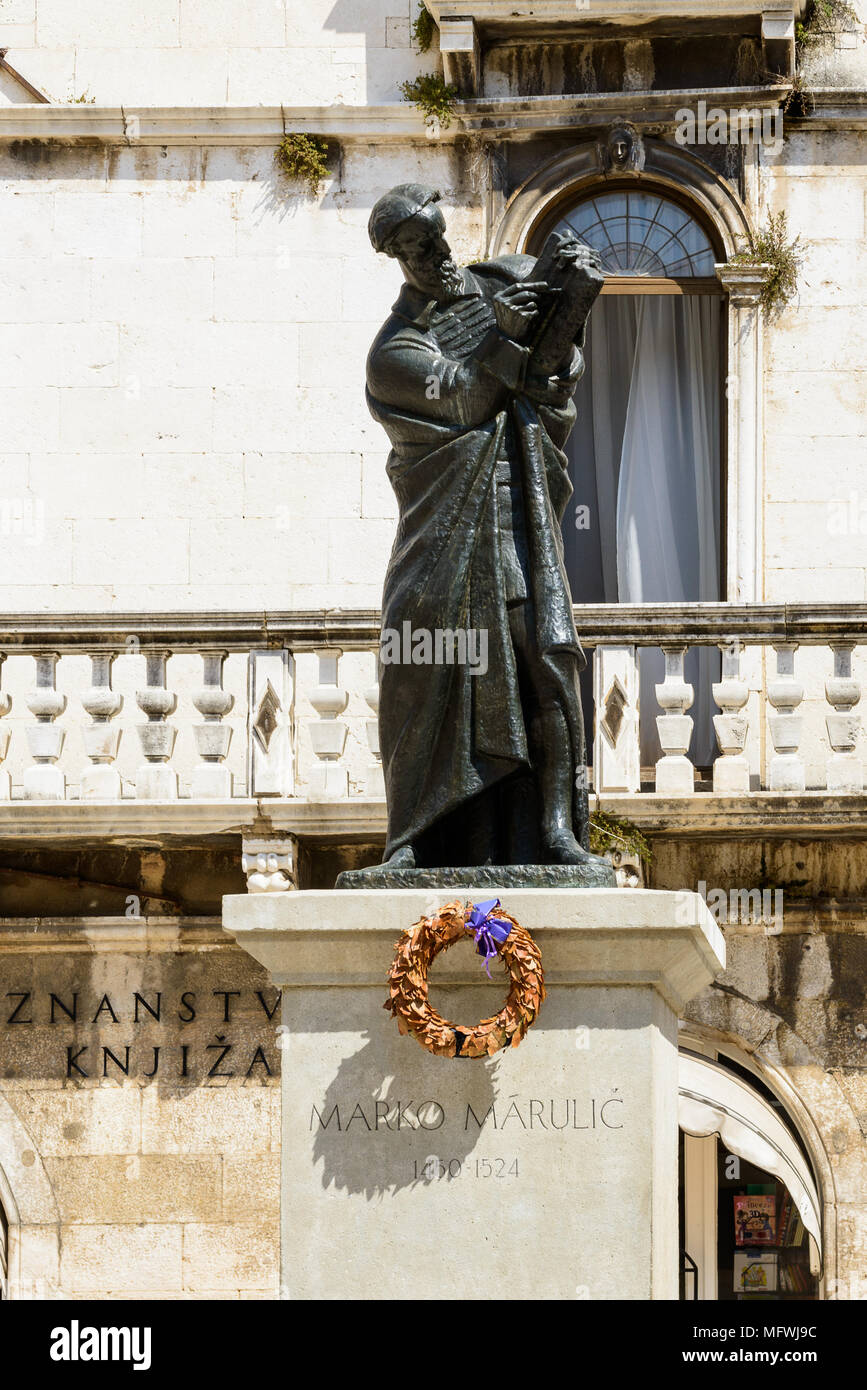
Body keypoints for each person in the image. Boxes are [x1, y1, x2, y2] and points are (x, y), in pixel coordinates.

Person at [365, 183, 607, 875]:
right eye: (415, 249)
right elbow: (468, 397)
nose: (435, 255)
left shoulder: (501, 280)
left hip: (517, 510)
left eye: (437, 238)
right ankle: (409, 839)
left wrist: (557, 337)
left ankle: (557, 829)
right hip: (440, 537)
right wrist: (505, 335)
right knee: (422, 671)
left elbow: (557, 381)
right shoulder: (395, 351)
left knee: (545, 663)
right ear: (394, 258)